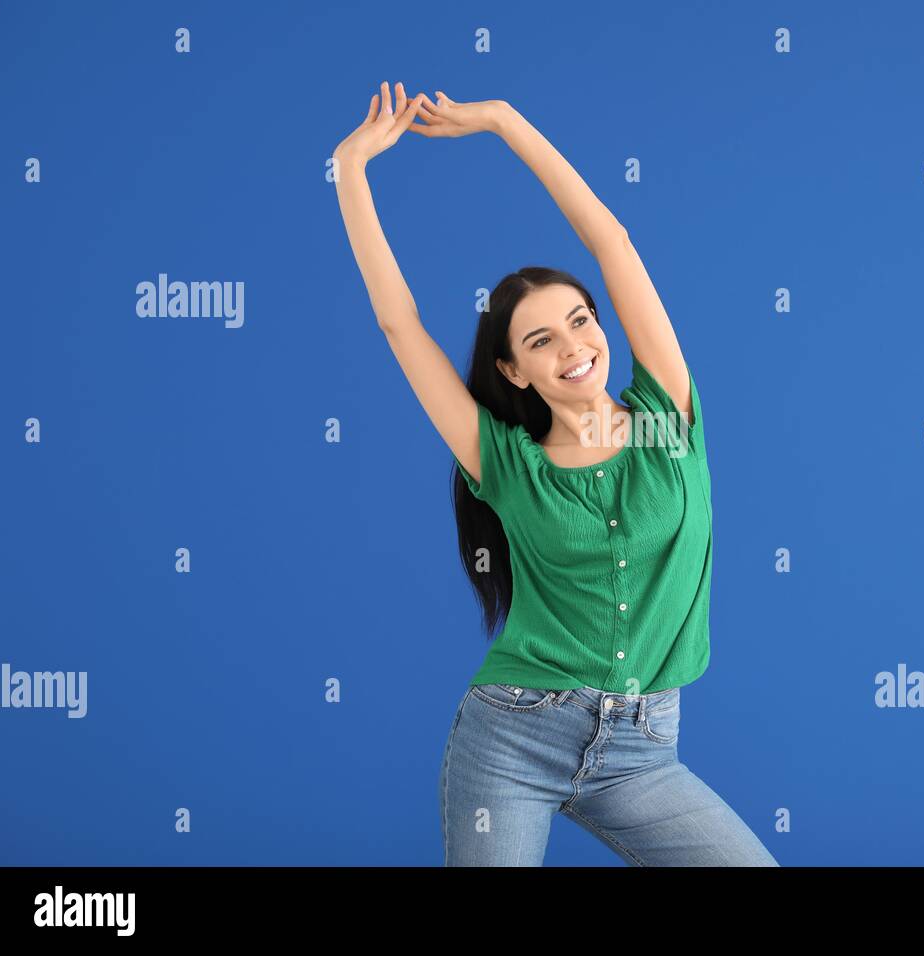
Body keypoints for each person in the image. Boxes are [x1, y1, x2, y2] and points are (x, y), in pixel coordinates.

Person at [332, 82, 778, 867]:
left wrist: (506, 122)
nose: (574, 346)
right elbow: (399, 323)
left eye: (581, 320)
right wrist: (351, 168)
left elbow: (614, 246)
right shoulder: (502, 462)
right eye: (541, 340)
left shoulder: (667, 421)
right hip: (513, 735)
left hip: (642, 751)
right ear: (514, 368)